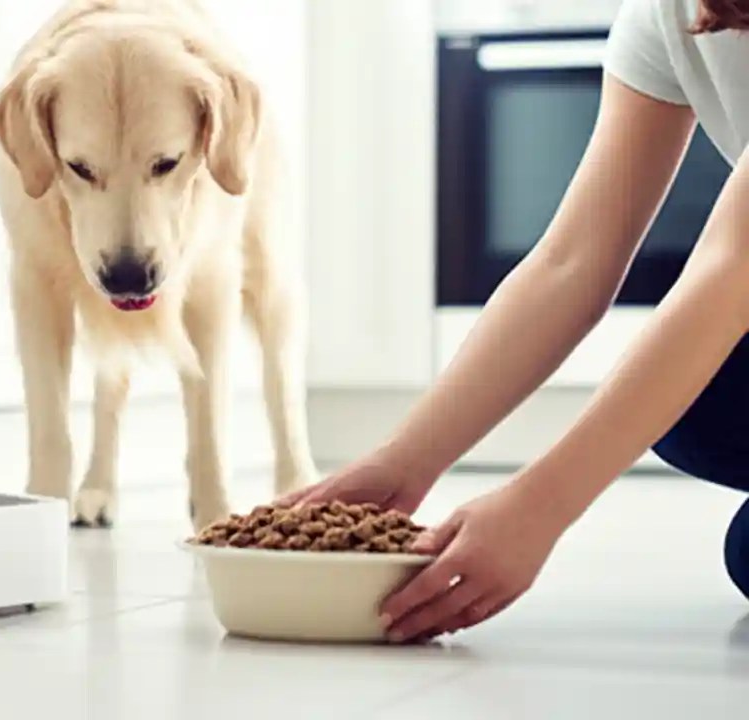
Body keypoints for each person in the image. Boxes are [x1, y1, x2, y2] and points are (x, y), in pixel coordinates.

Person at [280, 0, 749, 644]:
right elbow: (570, 262)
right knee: (703, 411)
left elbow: (733, 267)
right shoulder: (667, 17)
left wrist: (540, 506)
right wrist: (405, 461)